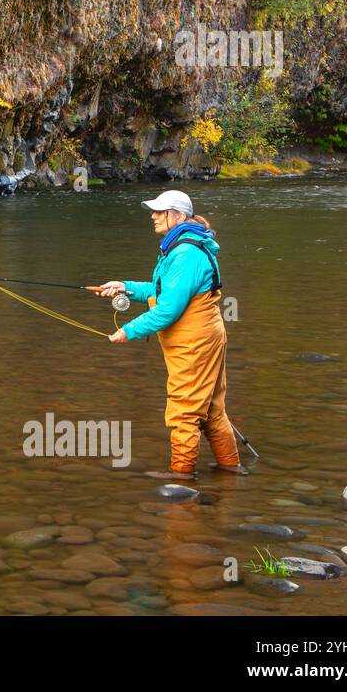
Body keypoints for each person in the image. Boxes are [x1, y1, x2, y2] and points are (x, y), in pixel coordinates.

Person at [97, 189, 246, 481]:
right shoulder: (178, 248)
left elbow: (167, 310)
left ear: (178, 216)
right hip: (204, 336)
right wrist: (124, 286)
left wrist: (128, 331)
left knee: (183, 413)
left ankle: (181, 481)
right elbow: (161, 291)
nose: (153, 216)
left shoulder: (185, 254)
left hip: (195, 342)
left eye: (159, 211)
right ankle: (230, 472)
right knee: (212, 410)